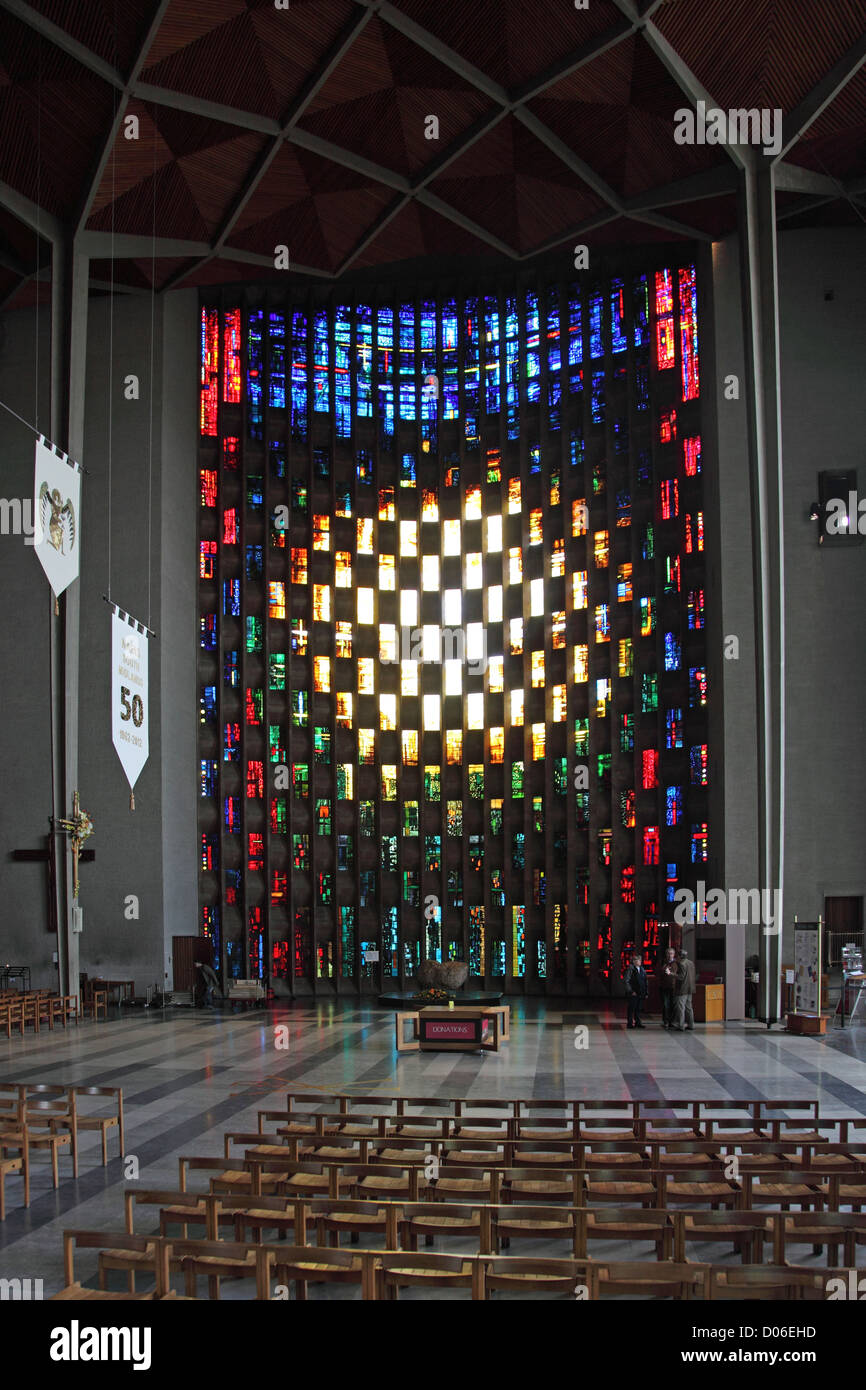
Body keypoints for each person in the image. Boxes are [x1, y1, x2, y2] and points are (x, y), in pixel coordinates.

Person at [623, 951, 648, 1029]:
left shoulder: (642, 969)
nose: (640, 961)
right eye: (638, 960)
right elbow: (626, 981)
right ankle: (630, 1023)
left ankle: (638, 1022)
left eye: (640, 960)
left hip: (641, 992)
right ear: (634, 961)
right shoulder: (630, 969)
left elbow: (645, 981)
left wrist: (646, 992)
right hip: (633, 992)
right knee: (631, 1008)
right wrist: (630, 991)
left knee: (638, 1008)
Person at [673, 948, 696, 1031]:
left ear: (680, 956)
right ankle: (691, 1024)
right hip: (690, 988)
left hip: (682, 989)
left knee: (681, 1007)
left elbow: (681, 977)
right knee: (689, 1007)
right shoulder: (691, 963)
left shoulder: (681, 964)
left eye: (677, 955)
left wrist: (671, 974)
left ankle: (681, 1025)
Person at [659, 947, 678, 1029]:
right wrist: (663, 970)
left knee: (673, 1004)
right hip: (664, 987)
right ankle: (666, 1021)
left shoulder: (677, 963)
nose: (670, 955)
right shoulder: (662, 962)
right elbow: (657, 972)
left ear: (674, 954)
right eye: (668, 953)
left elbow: (679, 974)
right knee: (665, 1004)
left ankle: (672, 1021)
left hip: (674, 987)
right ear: (666, 954)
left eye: (671, 953)